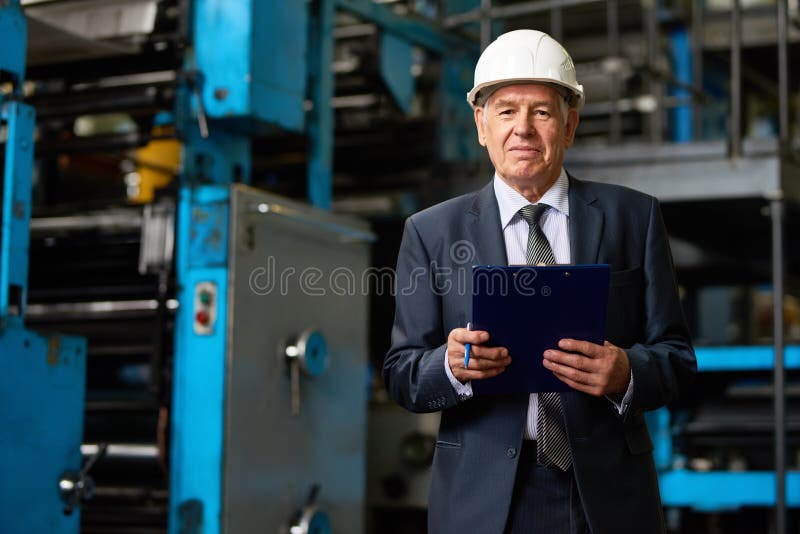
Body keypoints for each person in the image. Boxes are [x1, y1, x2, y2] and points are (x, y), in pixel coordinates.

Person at [383, 29, 696, 534]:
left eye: (542, 112)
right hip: (483, 499)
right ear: (481, 125)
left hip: (606, 496)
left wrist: (626, 372)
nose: (523, 129)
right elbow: (401, 373)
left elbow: (678, 359)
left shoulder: (632, 218)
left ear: (569, 126)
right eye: (506, 111)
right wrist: (452, 366)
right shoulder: (430, 232)